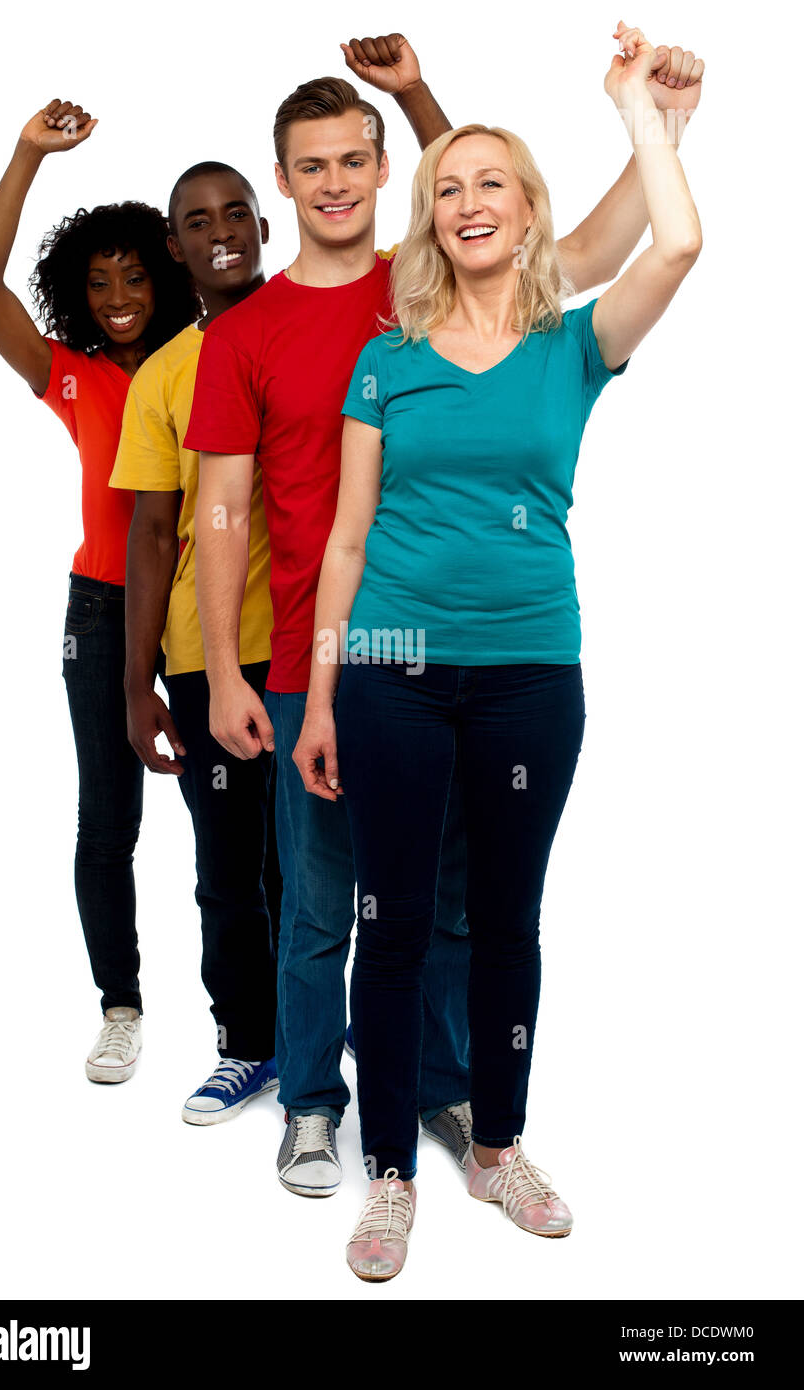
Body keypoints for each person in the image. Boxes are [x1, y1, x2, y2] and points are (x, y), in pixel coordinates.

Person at [187, 30, 701, 1198]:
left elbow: (591, 235)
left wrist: (648, 120)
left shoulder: (492, 316)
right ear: (285, 183)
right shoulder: (310, 338)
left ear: (378, 174)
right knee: (334, 906)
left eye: (352, 160)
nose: (333, 183)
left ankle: (456, 1103)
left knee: (472, 910)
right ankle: (324, 1113)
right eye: (307, 165)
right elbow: (248, 518)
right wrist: (247, 673)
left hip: (504, 664)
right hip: (350, 648)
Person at [0, 100, 200, 1085]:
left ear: (164, 278)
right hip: (102, 614)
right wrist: (27, 155)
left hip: (209, 613)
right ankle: (120, 1005)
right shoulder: (70, 376)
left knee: (249, 820)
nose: (115, 296)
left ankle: (271, 1012)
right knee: (108, 821)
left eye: (133, 276)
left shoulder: (208, 364)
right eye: (97, 281)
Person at [110, 162, 283, 1124]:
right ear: (172, 247)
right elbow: (147, 533)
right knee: (226, 866)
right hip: (202, 654)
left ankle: (316, 1048)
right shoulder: (167, 373)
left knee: (309, 866)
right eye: (194, 221)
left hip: (315, 647)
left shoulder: (316, 326)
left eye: (234, 213)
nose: (219, 231)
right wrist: (137, 687)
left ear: (264, 224)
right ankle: (244, 1045)